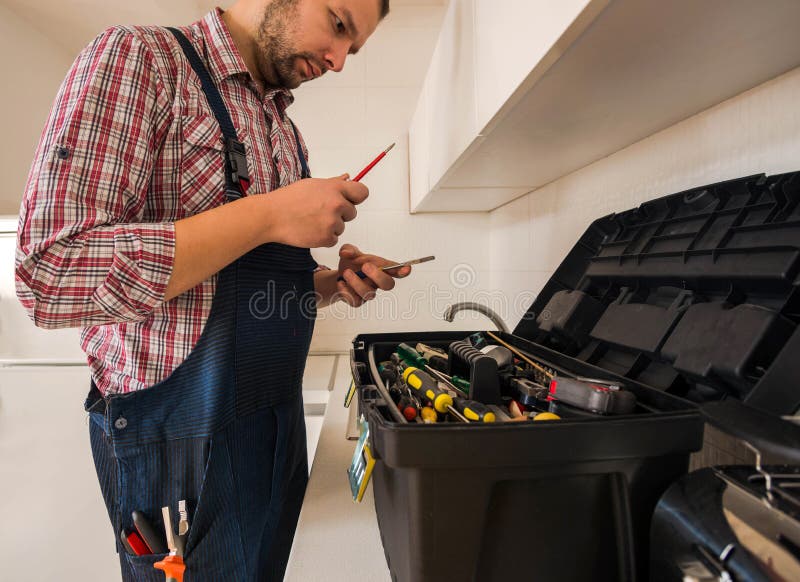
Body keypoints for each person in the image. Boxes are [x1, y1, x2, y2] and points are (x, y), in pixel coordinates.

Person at [15, 0, 402, 580]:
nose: (339, 60)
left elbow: (237, 285)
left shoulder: (284, 133)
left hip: (273, 428)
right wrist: (269, 215)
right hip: (178, 442)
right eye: (339, 25)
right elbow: (51, 274)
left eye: (354, 48)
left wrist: (325, 283)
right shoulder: (142, 60)